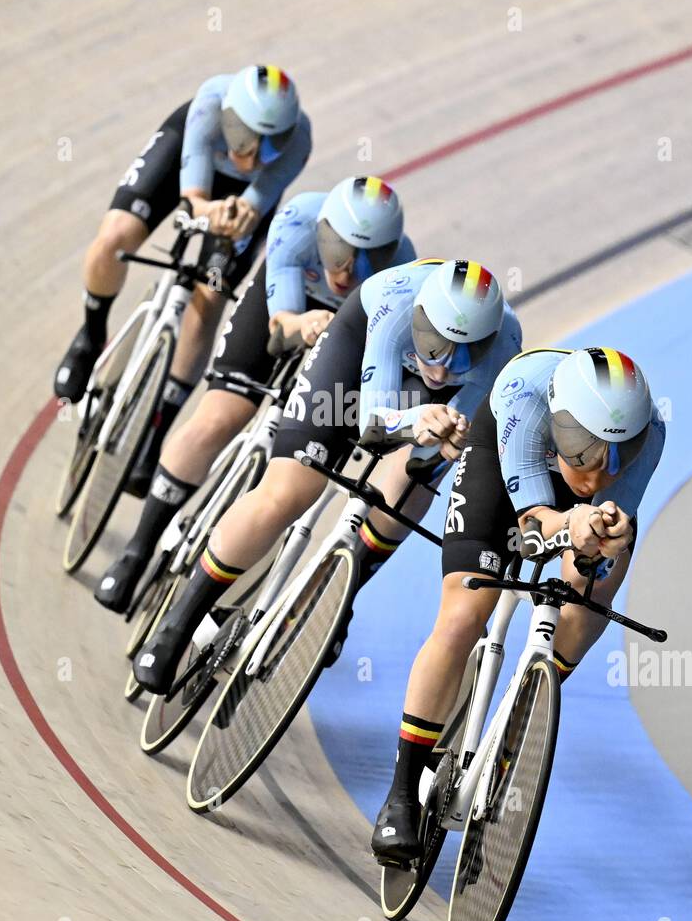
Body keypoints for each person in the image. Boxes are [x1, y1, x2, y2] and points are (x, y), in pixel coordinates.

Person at [133, 258, 524, 695]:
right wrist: (415, 420)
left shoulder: (506, 345)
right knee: (288, 491)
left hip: (430, 403)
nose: (443, 366)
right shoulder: (396, 302)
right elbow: (374, 420)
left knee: (411, 483)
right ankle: (178, 622)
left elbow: (451, 431)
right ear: (420, 317)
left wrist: (445, 441)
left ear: (488, 342)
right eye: (435, 345)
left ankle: (346, 586)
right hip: (356, 358)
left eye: (466, 353)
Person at [371, 345, 667, 864]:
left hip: (576, 514)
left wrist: (606, 537)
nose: (599, 474)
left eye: (618, 455)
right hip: (504, 468)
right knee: (464, 613)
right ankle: (400, 793)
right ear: (563, 428)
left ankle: (516, 721)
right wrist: (571, 523)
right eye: (586, 452)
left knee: (587, 606)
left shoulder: (653, 433)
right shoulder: (524, 399)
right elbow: (532, 531)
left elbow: (604, 525)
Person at [94, 176, 415, 612]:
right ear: (322, 233)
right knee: (219, 417)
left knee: (305, 465)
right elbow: (279, 326)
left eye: (366, 262)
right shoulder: (298, 220)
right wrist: (298, 325)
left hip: (349, 332)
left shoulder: (402, 272)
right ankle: (137, 549)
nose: (345, 272)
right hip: (286, 307)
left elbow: (378, 359)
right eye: (339, 254)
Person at [54, 64, 311, 492]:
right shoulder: (211, 103)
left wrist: (240, 217)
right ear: (232, 121)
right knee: (116, 237)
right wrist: (204, 210)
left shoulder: (299, 140)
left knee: (210, 296)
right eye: (248, 141)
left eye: (269, 148)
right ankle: (90, 334)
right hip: (187, 165)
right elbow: (191, 199)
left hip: (238, 201)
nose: (252, 156)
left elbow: (257, 200)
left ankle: (157, 431)